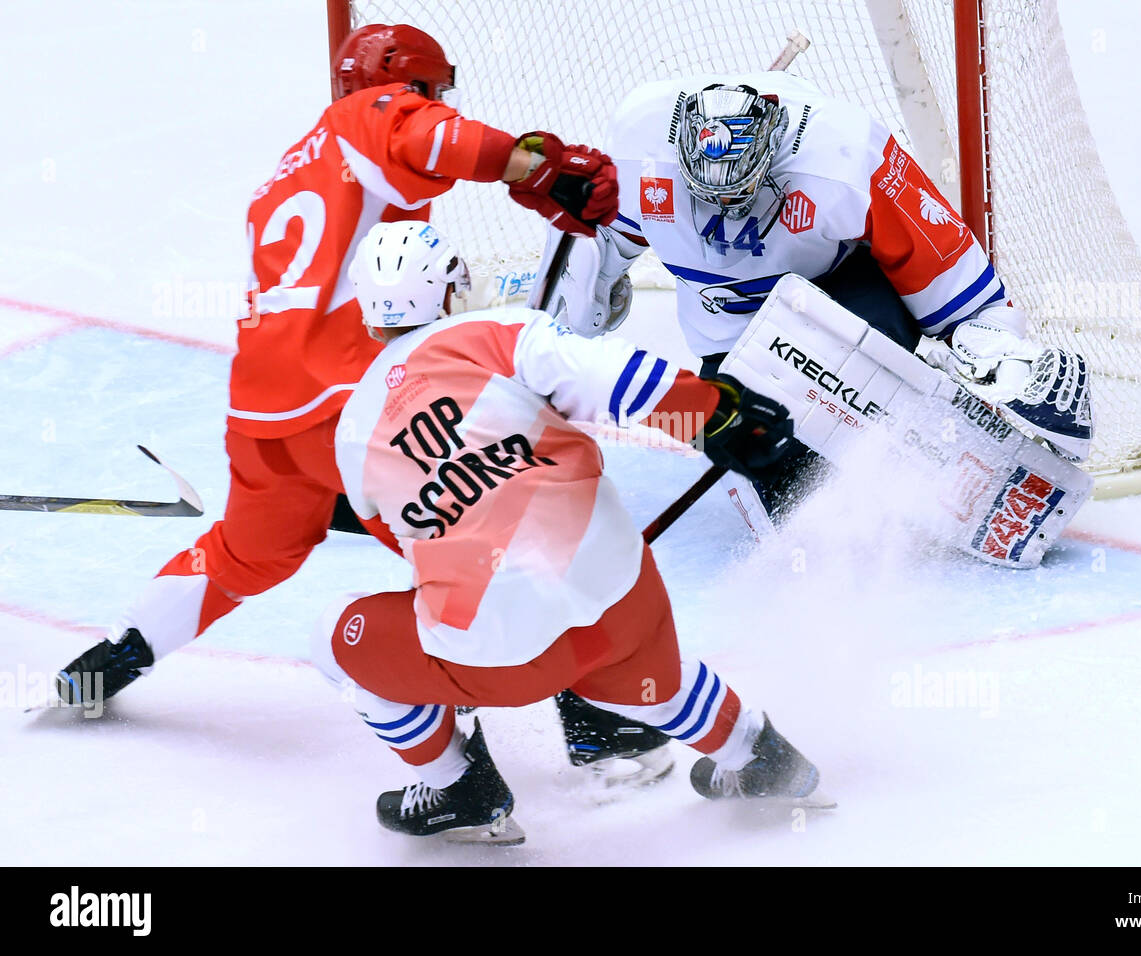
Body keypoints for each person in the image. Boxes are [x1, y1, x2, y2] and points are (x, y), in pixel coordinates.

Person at [55, 24, 618, 708]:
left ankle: (107, 663)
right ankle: (590, 719)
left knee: (246, 552)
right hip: (348, 405)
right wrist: (542, 170)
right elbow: (437, 139)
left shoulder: (286, 171)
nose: (438, 104)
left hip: (263, 414)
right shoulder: (368, 117)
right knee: (485, 539)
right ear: (403, 87)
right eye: (430, 92)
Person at [312, 218, 829, 843]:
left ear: (367, 315)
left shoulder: (351, 433)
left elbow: (404, 545)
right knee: (651, 684)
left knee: (333, 638)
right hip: (622, 602)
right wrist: (719, 416)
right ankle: (760, 758)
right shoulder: (496, 332)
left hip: (500, 658)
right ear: (453, 288)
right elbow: (613, 378)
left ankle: (458, 786)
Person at [534, 71, 1092, 515]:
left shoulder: (844, 157)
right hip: (728, 331)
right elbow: (597, 243)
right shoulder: (639, 151)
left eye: (741, 195)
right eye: (707, 196)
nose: (724, 213)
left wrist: (991, 351)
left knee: (853, 399)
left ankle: (921, 403)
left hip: (839, 301)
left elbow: (952, 274)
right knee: (778, 483)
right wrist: (569, 325)